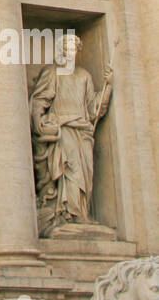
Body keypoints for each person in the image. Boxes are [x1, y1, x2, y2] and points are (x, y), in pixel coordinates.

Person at [29, 33, 112, 233]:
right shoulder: (52, 73)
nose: (72, 52)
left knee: (85, 174)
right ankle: (68, 213)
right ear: (61, 50)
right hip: (64, 128)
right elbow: (40, 99)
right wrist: (39, 123)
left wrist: (108, 86)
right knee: (71, 170)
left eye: (75, 48)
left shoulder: (84, 76)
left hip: (83, 130)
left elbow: (94, 107)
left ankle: (81, 213)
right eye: (68, 48)